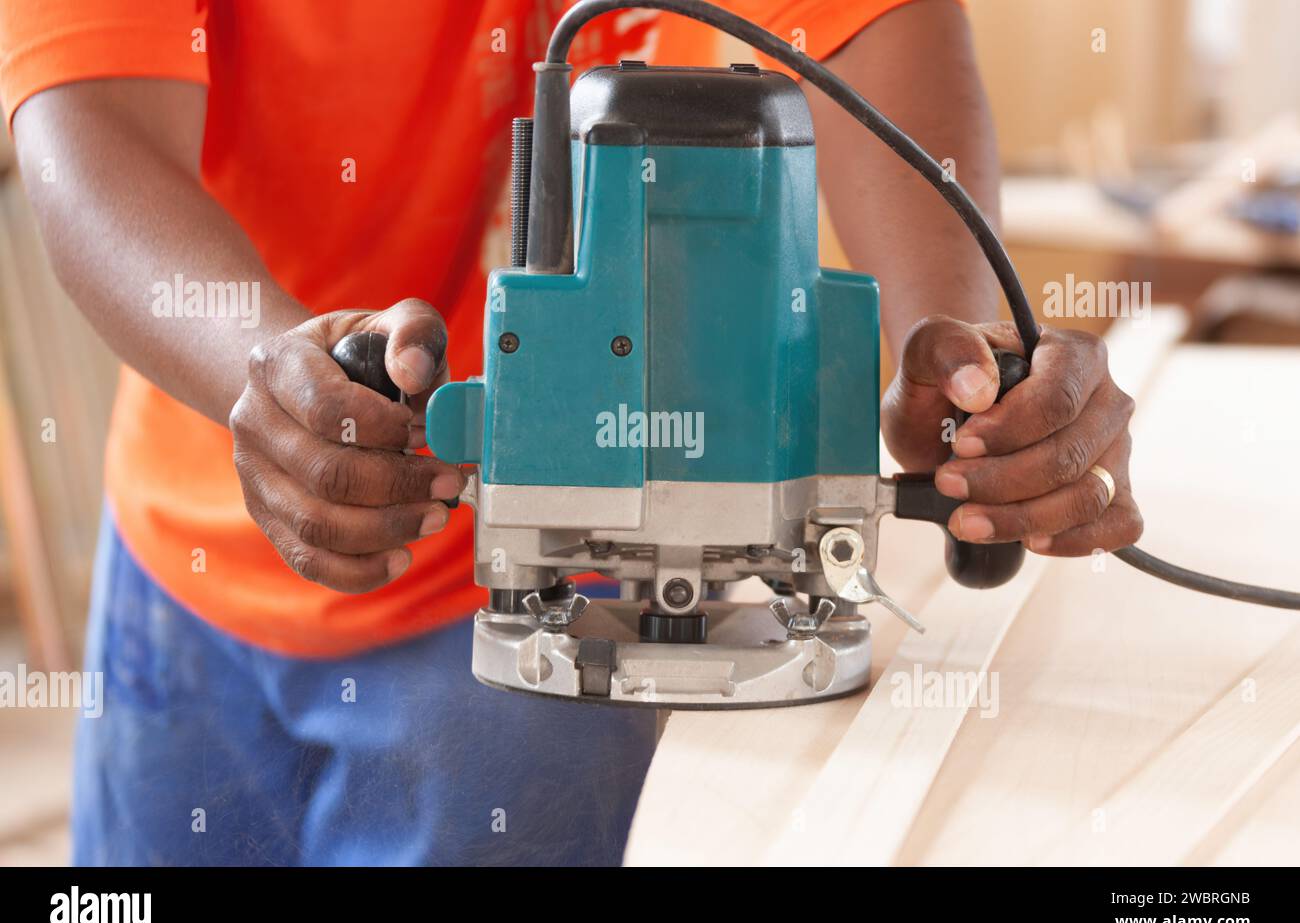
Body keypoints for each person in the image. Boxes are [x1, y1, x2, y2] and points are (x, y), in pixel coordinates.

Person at [0, 0, 1142, 865]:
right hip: (196, 531)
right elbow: (87, 112)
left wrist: (952, 357)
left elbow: (874, 35)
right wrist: (269, 368)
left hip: (574, 590)